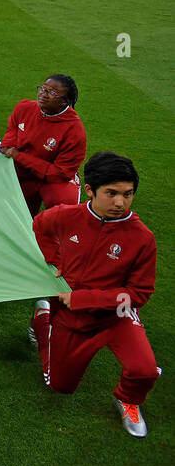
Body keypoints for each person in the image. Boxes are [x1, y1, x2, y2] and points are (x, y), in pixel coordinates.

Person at [27, 152, 158, 438]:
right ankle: (42, 318)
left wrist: (84, 298)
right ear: (90, 190)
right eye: (111, 193)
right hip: (70, 320)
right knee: (59, 386)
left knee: (145, 370)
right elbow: (38, 228)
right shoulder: (65, 215)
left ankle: (128, 400)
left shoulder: (142, 237)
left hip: (117, 318)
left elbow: (140, 292)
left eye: (128, 194)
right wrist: (53, 262)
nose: (120, 202)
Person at [0, 74, 87, 216]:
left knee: (63, 203)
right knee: (11, 208)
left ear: (64, 101)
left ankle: (57, 234)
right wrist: (8, 144)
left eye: (52, 92)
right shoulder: (24, 107)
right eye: (42, 89)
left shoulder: (74, 130)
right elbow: (13, 128)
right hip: (25, 169)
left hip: (56, 178)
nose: (43, 94)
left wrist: (19, 156)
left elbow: (61, 173)